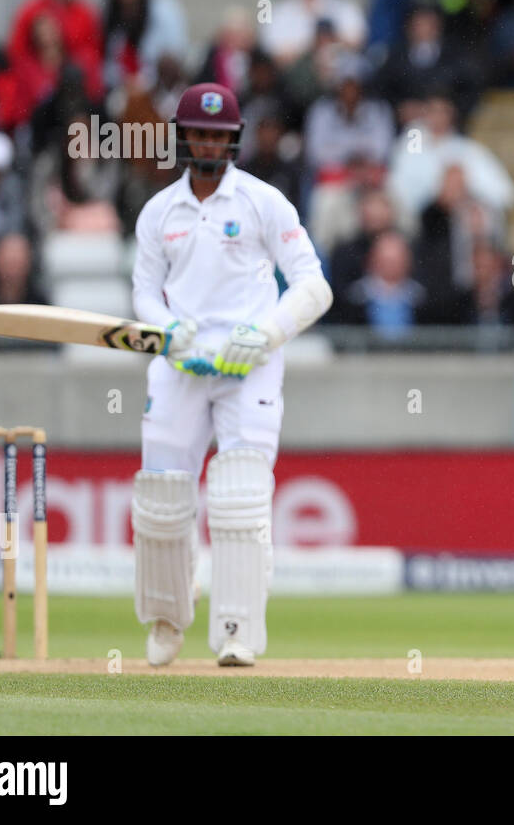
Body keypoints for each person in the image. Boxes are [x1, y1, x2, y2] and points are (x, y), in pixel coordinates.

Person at [130, 82, 332, 668]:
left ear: (234, 140)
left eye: (219, 135)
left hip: (250, 366)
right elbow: (144, 291)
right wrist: (168, 331)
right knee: (165, 493)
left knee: (241, 495)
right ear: (182, 137)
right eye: (199, 133)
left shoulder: (264, 203)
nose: (209, 143)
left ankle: (238, 630)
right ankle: (168, 620)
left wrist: (264, 334)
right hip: (181, 363)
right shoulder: (158, 212)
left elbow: (314, 285)